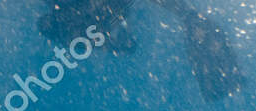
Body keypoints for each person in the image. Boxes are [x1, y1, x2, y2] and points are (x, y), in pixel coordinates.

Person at [37, 0, 244, 99]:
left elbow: (121, 45)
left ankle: (218, 72)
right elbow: (122, 46)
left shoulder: (76, 26)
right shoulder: (76, 32)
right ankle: (218, 72)